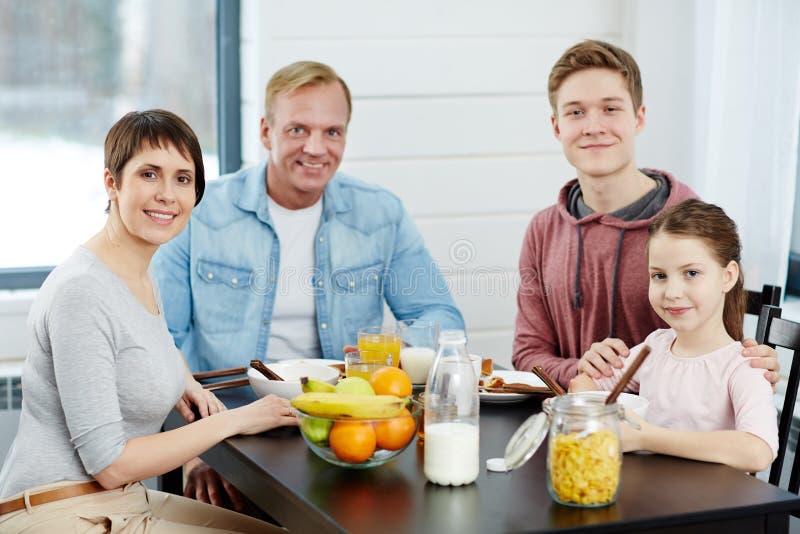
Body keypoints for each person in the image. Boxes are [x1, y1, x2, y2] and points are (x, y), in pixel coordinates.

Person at [153, 61, 464, 507]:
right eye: (298, 129)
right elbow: (163, 343)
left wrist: (383, 355)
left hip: (346, 426)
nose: (316, 148)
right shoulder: (201, 213)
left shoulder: (380, 214)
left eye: (332, 132)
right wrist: (198, 449)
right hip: (232, 427)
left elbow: (440, 318)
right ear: (266, 131)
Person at [0, 110, 297, 533]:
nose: (167, 194)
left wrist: (184, 380)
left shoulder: (138, 269)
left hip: (116, 500)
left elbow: (140, 342)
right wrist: (237, 419)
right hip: (58, 511)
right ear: (112, 183)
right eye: (149, 174)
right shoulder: (81, 292)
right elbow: (109, 463)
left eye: (182, 179)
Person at [512, 39, 780, 389]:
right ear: (557, 126)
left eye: (610, 109)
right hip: (573, 426)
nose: (593, 126)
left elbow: (717, 360)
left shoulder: (692, 224)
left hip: (669, 431)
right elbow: (528, 353)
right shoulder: (543, 230)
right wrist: (582, 370)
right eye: (576, 112)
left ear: (639, 118)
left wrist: (752, 365)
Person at [569, 199, 777, 472]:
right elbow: (582, 385)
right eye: (659, 276)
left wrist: (644, 436)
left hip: (711, 509)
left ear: (727, 277)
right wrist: (599, 413)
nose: (672, 292)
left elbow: (758, 451)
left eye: (691, 273)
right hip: (649, 497)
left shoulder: (744, 365)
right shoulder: (655, 346)